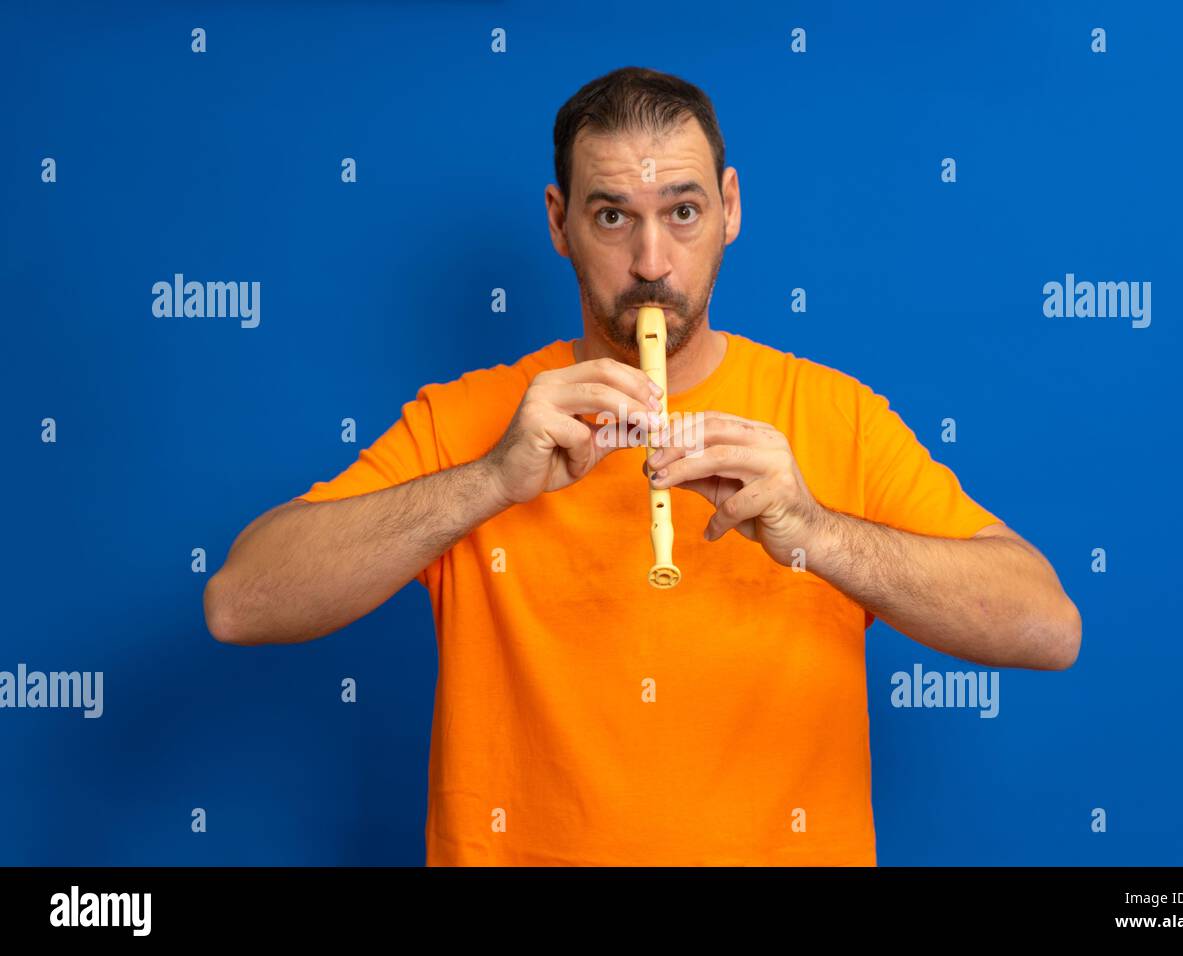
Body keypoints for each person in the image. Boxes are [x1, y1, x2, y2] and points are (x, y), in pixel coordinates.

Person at [204, 66, 1081, 866]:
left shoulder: (836, 415)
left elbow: (1046, 626)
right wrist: (488, 482)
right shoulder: (472, 420)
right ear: (560, 223)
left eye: (684, 212)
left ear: (731, 208)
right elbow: (240, 602)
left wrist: (816, 532)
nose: (652, 264)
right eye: (613, 215)